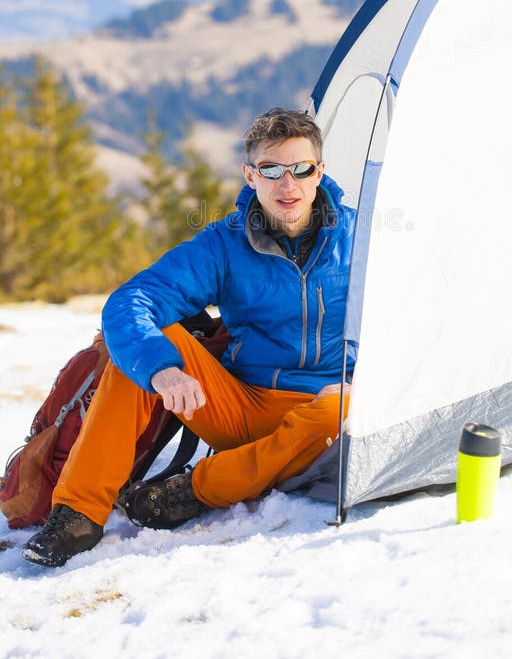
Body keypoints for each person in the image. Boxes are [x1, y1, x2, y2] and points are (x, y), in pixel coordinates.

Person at [23, 108, 355, 567]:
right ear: (249, 175)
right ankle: (78, 513)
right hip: (241, 406)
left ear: (320, 171)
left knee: (345, 409)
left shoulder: (361, 238)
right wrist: (163, 369)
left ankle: (191, 490)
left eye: (301, 169)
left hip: (326, 409)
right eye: (271, 170)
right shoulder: (224, 244)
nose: (288, 185)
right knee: (145, 345)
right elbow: (132, 300)